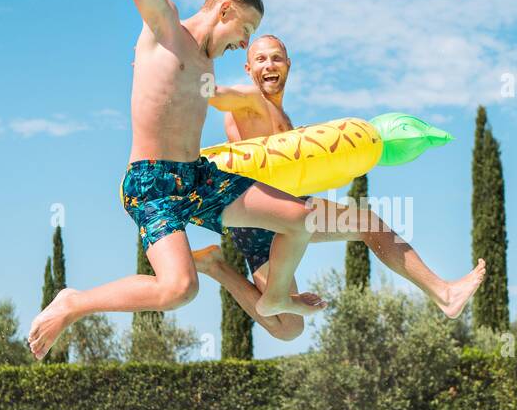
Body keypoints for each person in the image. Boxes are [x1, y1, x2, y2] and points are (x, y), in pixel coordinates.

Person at [28, 0, 324, 360]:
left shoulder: (212, 70)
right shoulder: (163, 27)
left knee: (305, 217)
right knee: (178, 289)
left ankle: (277, 294)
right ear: (227, 8)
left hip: (200, 177)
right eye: (246, 32)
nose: (245, 46)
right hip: (152, 183)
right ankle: (73, 301)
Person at [193, 34, 486, 341]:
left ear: (288, 65)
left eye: (277, 58)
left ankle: (444, 294)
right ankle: (217, 268)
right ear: (248, 67)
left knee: (293, 324)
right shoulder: (250, 99)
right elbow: (218, 94)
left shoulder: (283, 116)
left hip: (289, 208)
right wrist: (187, 77)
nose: (270, 65)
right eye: (261, 59)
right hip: (257, 215)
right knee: (287, 320)